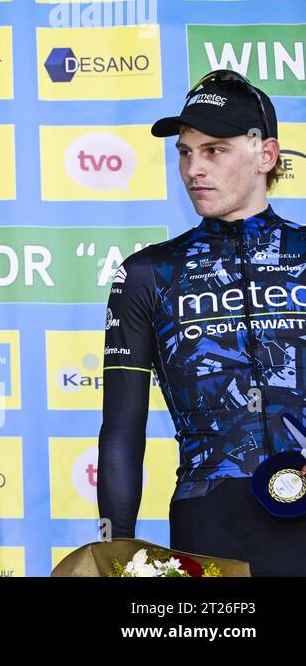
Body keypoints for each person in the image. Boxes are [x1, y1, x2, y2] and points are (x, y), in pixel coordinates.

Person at [98, 69, 305, 575]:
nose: (194, 168)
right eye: (185, 152)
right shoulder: (148, 274)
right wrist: (115, 551)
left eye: (214, 150)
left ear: (266, 155)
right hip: (208, 524)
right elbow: (122, 433)